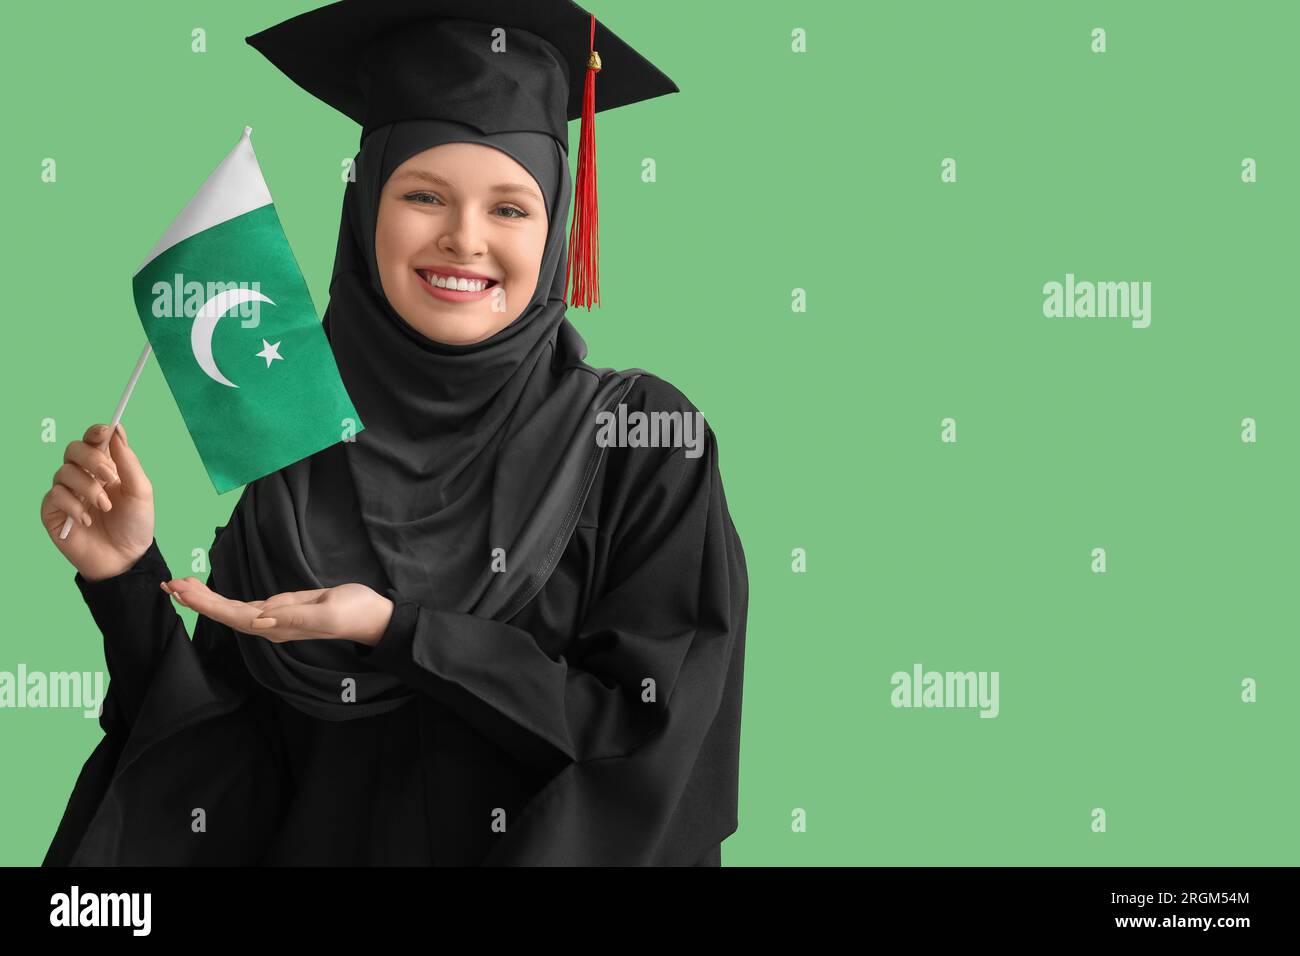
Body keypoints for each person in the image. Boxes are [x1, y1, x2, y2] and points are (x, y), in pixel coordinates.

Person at [39, 0, 748, 866]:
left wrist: (399, 632)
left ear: (558, 225)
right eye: (422, 195)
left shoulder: (641, 442)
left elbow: (653, 748)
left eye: (511, 209)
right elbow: (218, 780)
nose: (464, 239)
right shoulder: (294, 440)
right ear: (365, 202)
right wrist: (126, 582)